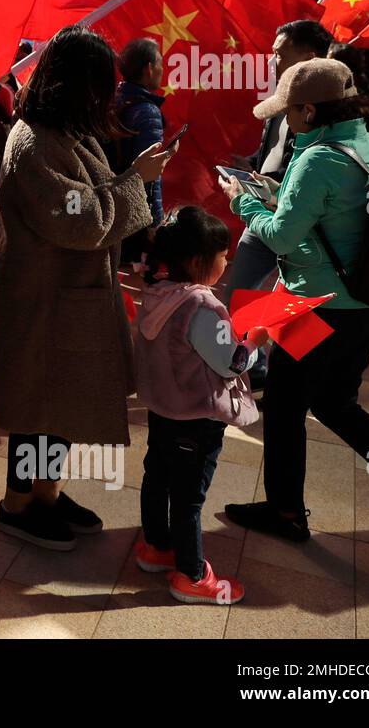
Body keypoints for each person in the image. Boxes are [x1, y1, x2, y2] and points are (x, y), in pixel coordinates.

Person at [220, 58, 369, 556]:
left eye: (289, 112)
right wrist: (282, 199)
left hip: (314, 306)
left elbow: (283, 236)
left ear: (309, 110)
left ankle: (286, 512)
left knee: (286, 407)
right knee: (337, 405)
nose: (285, 120)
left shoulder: (317, 160)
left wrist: (243, 202)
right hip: (367, 307)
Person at [0, 26, 175, 551]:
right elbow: (81, 218)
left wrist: (131, 178)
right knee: (39, 406)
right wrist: (136, 179)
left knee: (60, 403)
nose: (110, 95)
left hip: (67, 293)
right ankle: (16, 504)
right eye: (102, 83)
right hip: (43, 297)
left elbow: (91, 201)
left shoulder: (65, 130)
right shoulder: (34, 141)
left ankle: (46, 494)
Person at [133, 206, 263, 604]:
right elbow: (230, 362)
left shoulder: (157, 292)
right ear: (196, 261)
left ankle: (157, 546)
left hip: (164, 409)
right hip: (197, 417)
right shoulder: (202, 307)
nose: (227, 262)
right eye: (223, 256)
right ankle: (191, 575)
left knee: (157, 477)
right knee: (189, 497)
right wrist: (255, 342)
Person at [225, 20, 333, 387]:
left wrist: (279, 190)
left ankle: (301, 382)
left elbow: (318, 173)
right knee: (241, 296)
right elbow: (272, 150)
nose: (272, 61)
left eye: (279, 54)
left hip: (303, 228)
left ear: (310, 57)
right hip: (264, 218)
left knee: (294, 310)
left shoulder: (331, 117)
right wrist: (252, 164)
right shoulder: (280, 100)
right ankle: (252, 369)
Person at [110, 37, 167, 266]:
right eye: (161, 63)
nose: (163, 70)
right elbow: (151, 175)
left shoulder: (113, 100)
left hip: (109, 202)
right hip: (133, 213)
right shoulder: (147, 111)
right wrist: (155, 220)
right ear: (149, 68)